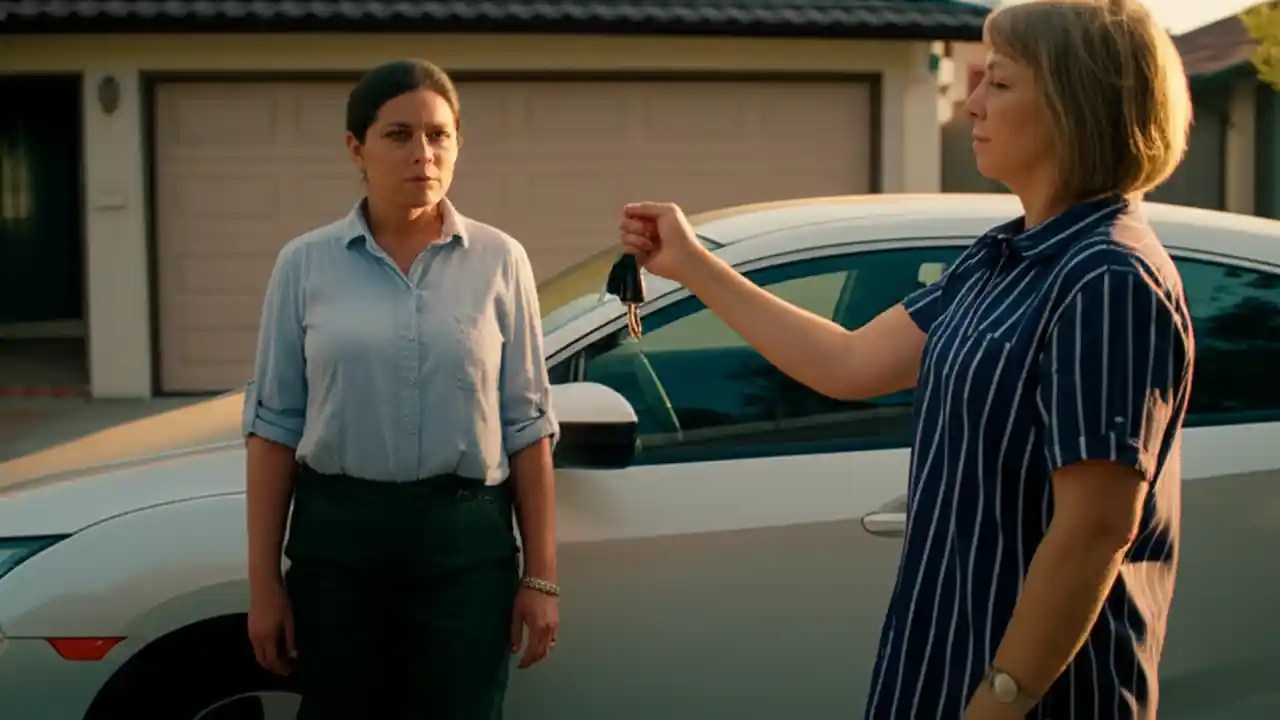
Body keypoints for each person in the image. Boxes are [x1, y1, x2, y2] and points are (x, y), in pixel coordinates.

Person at [617, 1, 1193, 718]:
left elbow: (1097, 526)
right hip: (942, 664)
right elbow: (849, 363)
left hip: (1042, 696)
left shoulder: (1107, 277)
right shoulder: (1001, 257)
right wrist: (694, 265)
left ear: (1077, 106)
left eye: (1000, 84)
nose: (972, 101)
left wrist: (1002, 697)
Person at [243, 59, 561, 719]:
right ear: (355, 147)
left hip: (465, 549)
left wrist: (541, 576)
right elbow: (274, 427)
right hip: (339, 548)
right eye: (399, 135)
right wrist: (265, 585)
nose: (424, 153)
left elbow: (528, 426)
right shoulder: (305, 264)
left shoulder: (501, 260)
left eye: (439, 134)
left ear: (457, 144)